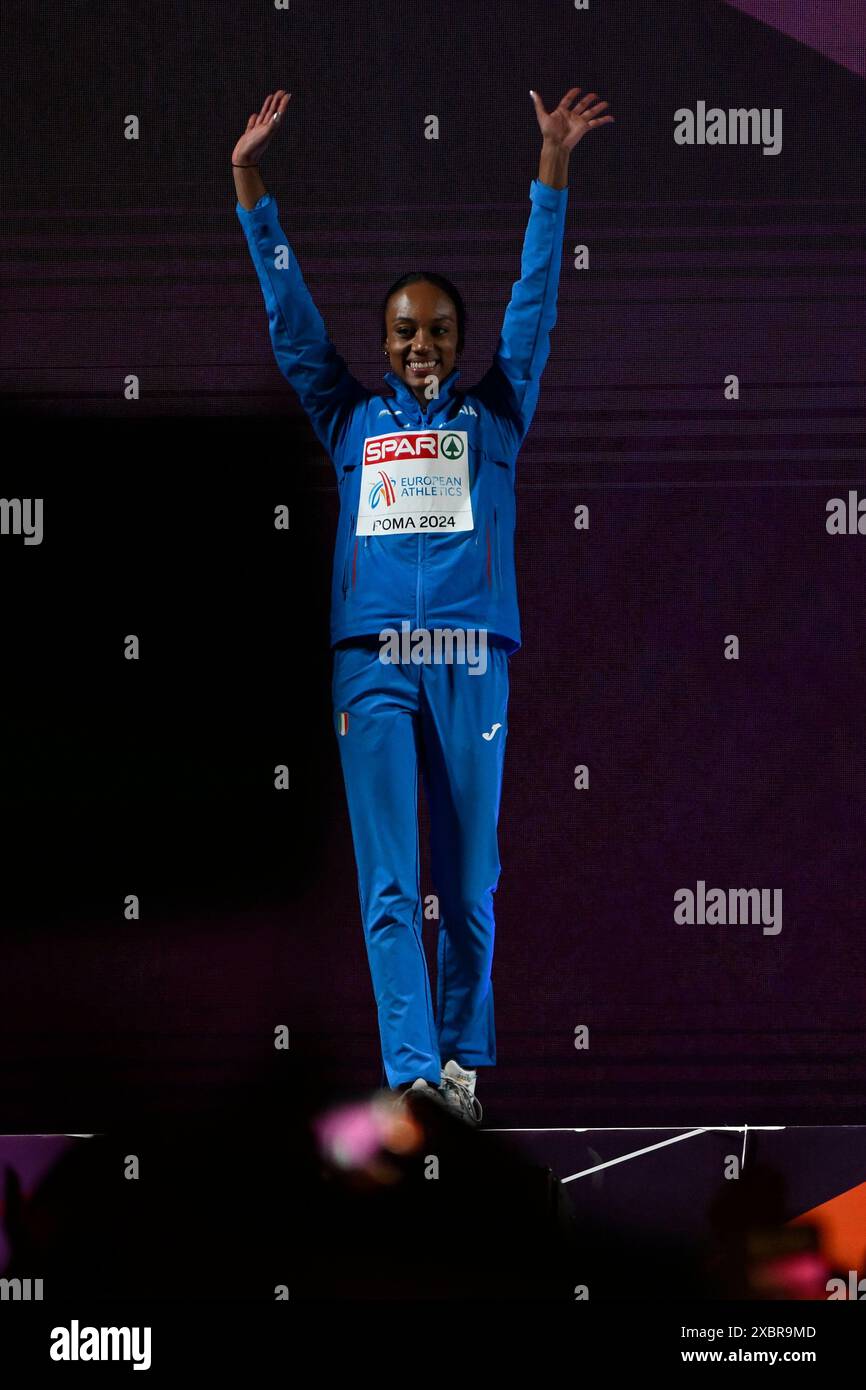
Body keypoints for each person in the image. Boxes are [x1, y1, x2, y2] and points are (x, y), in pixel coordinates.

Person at [233, 86, 614, 1125]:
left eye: (437, 331)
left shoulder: (497, 410)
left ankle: (460, 1070)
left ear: (457, 338)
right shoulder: (346, 414)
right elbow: (291, 323)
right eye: (403, 331)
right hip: (371, 660)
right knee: (391, 884)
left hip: (466, 652)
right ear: (386, 338)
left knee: (473, 879)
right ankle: (410, 1071)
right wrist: (248, 187)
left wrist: (550, 165)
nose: (419, 346)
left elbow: (534, 298)